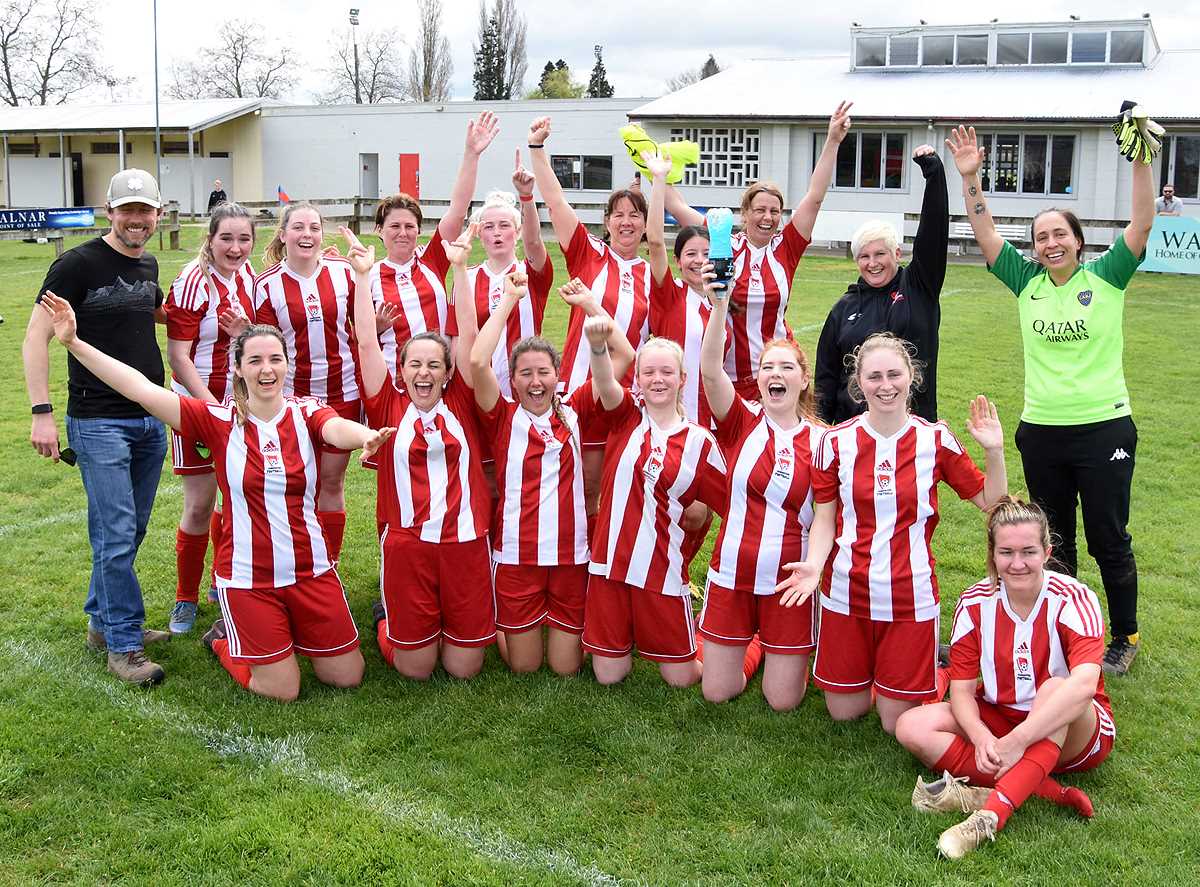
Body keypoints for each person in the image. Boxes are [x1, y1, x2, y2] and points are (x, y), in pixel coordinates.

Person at [39, 298, 389, 700]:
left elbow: (337, 429)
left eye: (275, 359)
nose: (267, 369)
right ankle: (222, 640)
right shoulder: (218, 422)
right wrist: (75, 343)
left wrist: (366, 437)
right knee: (282, 690)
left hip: (310, 570)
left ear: (287, 365)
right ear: (238, 369)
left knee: (347, 677)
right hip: (247, 577)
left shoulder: (307, 412)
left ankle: (277, 636)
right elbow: (139, 389)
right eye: (255, 360)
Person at [945, 124, 1154, 674]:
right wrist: (971, 178)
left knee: (1108, 536)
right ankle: (1069, 630)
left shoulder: (1107, 276)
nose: (1050, 243)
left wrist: (1140, 160)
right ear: (1033, 247)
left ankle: (1124, 637)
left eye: (1060, 234)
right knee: (1055, 539)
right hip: (1041, 430)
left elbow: (1142, 222)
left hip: (1104, 428)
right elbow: (985, 232)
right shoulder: (1026, 281)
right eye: (1041, 236)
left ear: (1078, 241)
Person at [777, 333, 1007, 733]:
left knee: (894, 723)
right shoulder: (835, 442)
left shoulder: (935, 440)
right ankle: (882, 673)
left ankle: (940, 674)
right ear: (859, 383)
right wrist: (815, 565)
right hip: (846, 592)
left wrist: (995, 450)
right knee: (843, 713)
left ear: (912, 376)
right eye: (875, 376)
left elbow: (994, 502)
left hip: (909, 594)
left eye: (894, 375)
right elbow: (825, 518)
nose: (886, 385)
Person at [894, 497, 1113, 860]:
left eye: (1028, 551)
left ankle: (988, 817)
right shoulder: (975, 602)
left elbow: (1085, 686)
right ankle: (1040, 789)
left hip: (1076, 730)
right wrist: (981, 737)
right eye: (1006, 552)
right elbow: (961, 692)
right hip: (1002, 716)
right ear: (993, 554)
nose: (1017, 563)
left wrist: (1017, 741)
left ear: (1047, 551)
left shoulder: (1074, 598)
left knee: (1056, 689)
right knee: (911, 727)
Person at [22, 168, 172, 686]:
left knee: (131, 529)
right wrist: (42, 413)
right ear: (109, 213)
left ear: (158, 214)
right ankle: (125, 645)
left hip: (151, 418)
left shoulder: (148, 261)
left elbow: (151, 313)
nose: (136, 219)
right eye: (126, 210)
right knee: (114, 532)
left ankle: (102, 623)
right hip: (98, 419)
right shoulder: (76, 264)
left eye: (144, 210)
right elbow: (35, 338)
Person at [464, 274, 634, 674]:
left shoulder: (576, 409)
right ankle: (505, 619)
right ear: (514, 379)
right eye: (525, 373)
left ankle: (537, 622)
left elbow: (624, 355)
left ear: (557, 374)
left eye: (543, 372)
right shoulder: (502, 416)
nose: (535, 382)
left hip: (570, 557)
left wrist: (591, 306)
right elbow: (476, 361)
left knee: (565, 668)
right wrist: (509, 299)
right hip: (518, 556)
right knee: (525, 667)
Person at [346, 225, 494, 681]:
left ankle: (442, 621)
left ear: (448, 374)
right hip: (409, 545)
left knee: (464, 667)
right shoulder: (386, 401)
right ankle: (385, 617)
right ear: (402, 370)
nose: (424, 372)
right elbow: (367, 342)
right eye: (415, 364)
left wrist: (461, 268)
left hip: (465, 543)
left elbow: (468, 333)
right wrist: (363, 277)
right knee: (417, 669)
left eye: (434, 364)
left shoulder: (461, 401)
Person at [663, 102, 853, 400]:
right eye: (760, 210)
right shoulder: (723, 241)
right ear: (745, 213)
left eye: (775, 211)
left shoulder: (786, 247)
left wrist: (832, 141)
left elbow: (815, 197)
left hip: (777, 373)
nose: (768, 217)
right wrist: (658, 171)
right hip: (729, 376)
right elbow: (675, 206)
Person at [697, 266, 823, 711]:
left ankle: (775, 645)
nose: (776, 374)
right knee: (717, 692)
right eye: (768, 366)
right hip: (733, 571)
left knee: (782, 702)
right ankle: (754, 646)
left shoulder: (824, 441)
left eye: (786, 367)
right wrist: (717, 305)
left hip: (789, 581)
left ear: (803, 380)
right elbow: (711, 369)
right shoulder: (742, 421)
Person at [527, 114, 653, 524]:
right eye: (618, 215)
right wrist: (537, 150)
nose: (626, 222)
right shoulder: (589, 255)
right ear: (607, 221)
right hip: (578, 391)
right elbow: (556, 201)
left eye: (635, 215)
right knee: (574, 487)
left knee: (615, 493)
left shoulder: (656, 275)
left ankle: (600, 573)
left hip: (622, 398)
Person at [582, 333, 728, 688]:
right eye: (648, 372)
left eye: (666, 371)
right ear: (638, 380)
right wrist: (599, 348)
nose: (657, 379)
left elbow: (732, 507)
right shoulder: (626, 419)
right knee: (608, 676)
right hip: (609, 568)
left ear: (682, 379)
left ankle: (735, 647)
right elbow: (603, 382)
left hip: (659, 571)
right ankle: (626, 637)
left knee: (682, 678)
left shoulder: (699, 442)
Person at [162, 202, 257, 633]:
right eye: (227, 238)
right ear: (210, 239)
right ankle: (185, 597)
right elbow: (178, 356)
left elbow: (253, 343)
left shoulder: (250, 277)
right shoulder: (191, 281)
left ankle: (224, 581)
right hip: (197, 407)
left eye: (243, 238)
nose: (235, 248)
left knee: (235, 497)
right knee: (200, 503)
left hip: (239, 405)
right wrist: (208, 408)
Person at [253, 202, 360, 563]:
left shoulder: (343, 272)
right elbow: (266, 345)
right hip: (292, 400)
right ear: (283, 235)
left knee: (331, 482)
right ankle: (293, 559)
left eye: (314, 228)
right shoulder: (266, 285)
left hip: (342, 393)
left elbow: (360, 326)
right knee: (294, 485)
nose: (307, 235)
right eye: (298, 228)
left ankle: (327, 564)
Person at [815, 145, 949, 424]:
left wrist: (934, 173)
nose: (872, 263)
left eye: (880, 254)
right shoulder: (844, 308)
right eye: (864, 256)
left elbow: (934, 230)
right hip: (853, 431)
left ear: (897, 254)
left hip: (913, 426)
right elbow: (825, 378)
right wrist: (820, 429)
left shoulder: (918, 287)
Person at [643, 147, 727, 583]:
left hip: (705, 427)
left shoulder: (718, 304)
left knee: (701, 512)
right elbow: (655, 238)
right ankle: (657, 572)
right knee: (673, 507)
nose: (697, 260)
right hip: (665, 421)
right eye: (690, 254)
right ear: (679, 263)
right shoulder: (669, 294)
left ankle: (678, 574)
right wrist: (659, 179)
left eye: (705, 253)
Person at [368, 111, 499, 378]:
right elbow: (354, 333)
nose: (403, 233)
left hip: (441, 382)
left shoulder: (431, 261)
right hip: (395, 385)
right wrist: (375, 326)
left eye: (410, 226)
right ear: (380, 231)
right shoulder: (366, 276)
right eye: (394, 226)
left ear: (419, 230)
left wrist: (471, 155)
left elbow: (458, 209)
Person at [462, 152, 552, 400]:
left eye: (504, 225)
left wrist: (527, 196)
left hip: (526, 393)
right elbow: (458, 340)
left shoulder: (531, 274)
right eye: (489, 227)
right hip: (481, 394)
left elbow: (534, 243)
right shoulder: (467, 279)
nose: (497, 233)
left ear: (518, 231)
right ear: (480, 234)